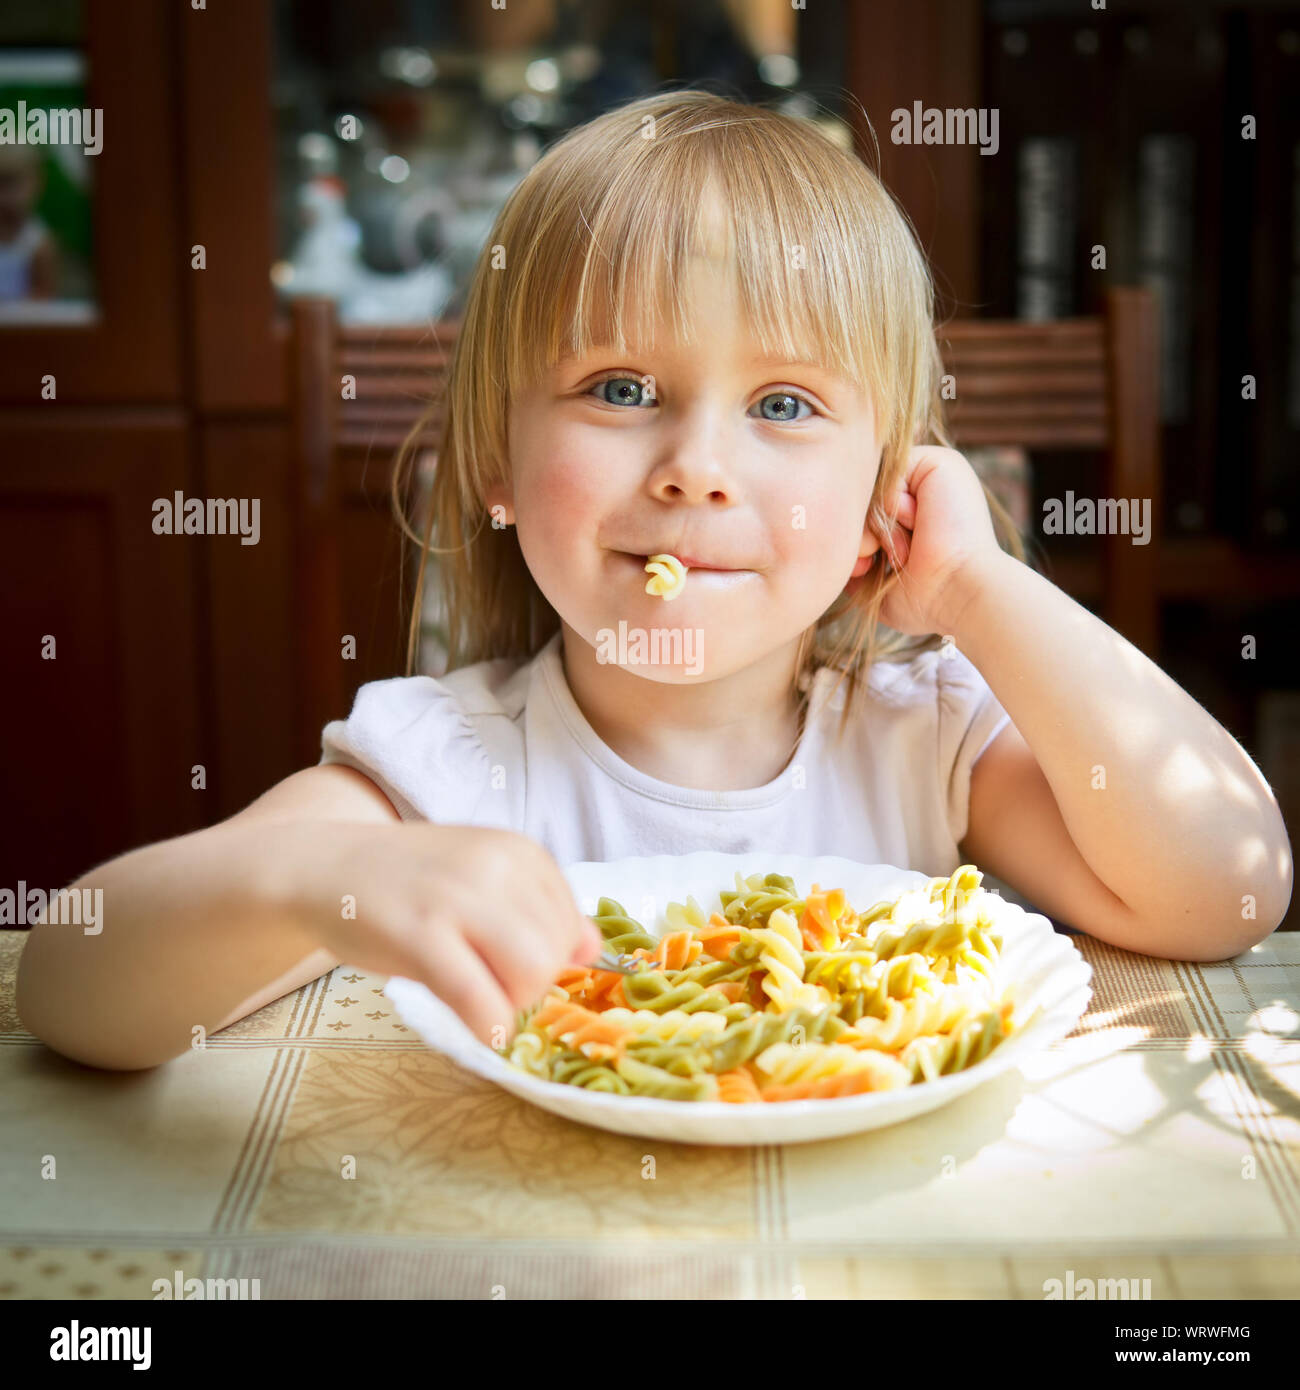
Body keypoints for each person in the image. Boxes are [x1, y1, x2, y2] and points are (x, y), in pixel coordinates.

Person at [17, 90, 1292, 1071]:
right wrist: (328, 884)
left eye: (784, 404)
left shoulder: (924, 739)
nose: (694, 468)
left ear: (879, 501)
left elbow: (1226, 887)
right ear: (495, 466)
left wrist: (978, 588)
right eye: (620, 390)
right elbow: (72, 988)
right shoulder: (446, 769)